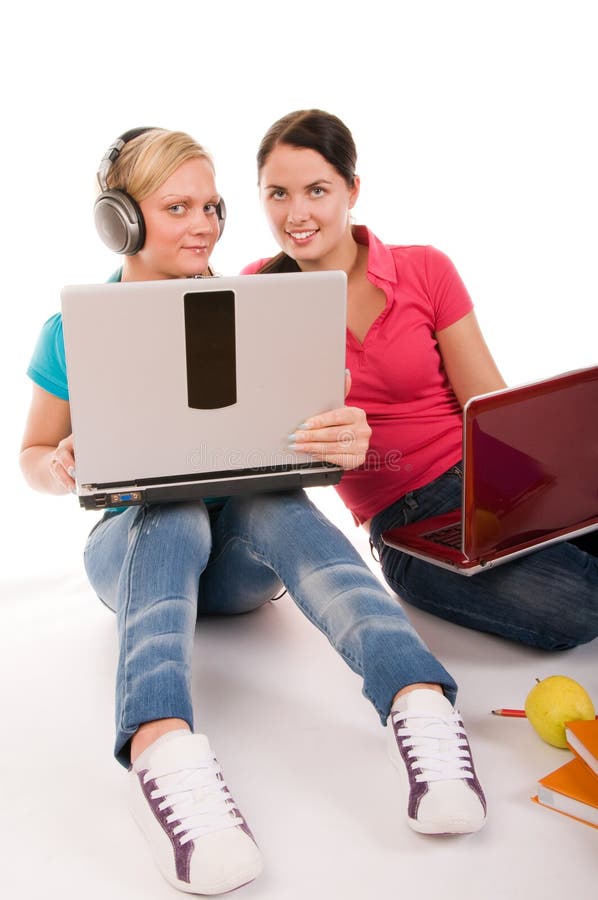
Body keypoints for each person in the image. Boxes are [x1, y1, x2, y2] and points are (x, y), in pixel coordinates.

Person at [20, 127, 486, 899]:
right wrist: (60, 462)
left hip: (239, 568)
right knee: (172, 512)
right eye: (177, 206)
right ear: (121, 219)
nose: (203, 224)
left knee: (272, 495)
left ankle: (420, 705)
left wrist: (347, 434)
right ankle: (161, 752)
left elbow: (312, 434)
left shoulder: (257, 309)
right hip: (134, 550)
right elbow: (33, 456)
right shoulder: (73, 331)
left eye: (212, 205)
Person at [243, 108, 598, 679]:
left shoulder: (425, 269)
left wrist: (547, 487)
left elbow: (486, 400)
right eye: (278, 194)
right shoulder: (258, 294)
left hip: (491, 482)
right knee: (577, 608)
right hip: (407, 524)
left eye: (316, 190)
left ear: (352, 189)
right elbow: (257, 439)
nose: (297, 213)